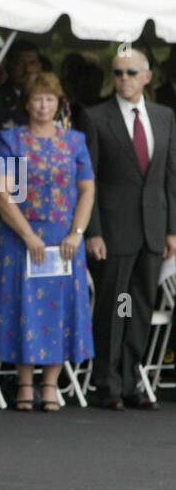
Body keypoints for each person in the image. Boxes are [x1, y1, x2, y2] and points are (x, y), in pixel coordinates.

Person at [0, 72, 96, 411]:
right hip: (20, 237)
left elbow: (88, 188)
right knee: (24, 307)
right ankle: (25, 384)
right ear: (27, 104)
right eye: (37, 99)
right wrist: (28, 234)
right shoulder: (11, 139)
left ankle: (51, 385)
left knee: (59, 308)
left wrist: (77, 232)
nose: (43, 105)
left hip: (64, 240)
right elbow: (1, 193)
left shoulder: (75, 141)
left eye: (49, 99)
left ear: (59, 102)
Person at [83, 48, 176, 410]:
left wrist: (171, 229)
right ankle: (107, 383)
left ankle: (131, 379)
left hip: (153, 228)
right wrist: (93, 231)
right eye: (118, 72)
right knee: (112, 308)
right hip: (113, 230)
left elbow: (170, 177)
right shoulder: (95, 116)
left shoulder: (164, 116)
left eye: (131, 72)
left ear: (147, 77)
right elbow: (88, 178)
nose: (123, 78)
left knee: (139, 308)